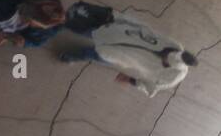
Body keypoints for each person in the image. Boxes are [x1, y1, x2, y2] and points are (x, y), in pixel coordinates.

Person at [60, 15, 196, 97]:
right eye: (168, 52)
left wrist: (131, 81)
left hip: (123, 58)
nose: (165, 54)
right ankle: (62, 23)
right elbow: (152, 35)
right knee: (90, 32)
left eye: (166, 60)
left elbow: (153, 87)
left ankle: (69, 56)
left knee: (91, 54)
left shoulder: (173, 75)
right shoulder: (175, 46)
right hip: (123, 36)